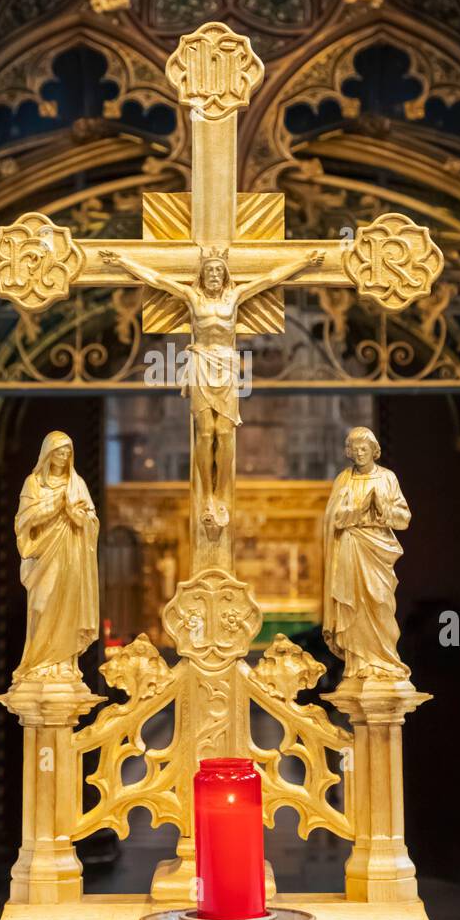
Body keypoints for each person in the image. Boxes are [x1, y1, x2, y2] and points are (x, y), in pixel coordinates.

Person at [100, 244, 322, 531]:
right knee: (205, 432)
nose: (214, 275)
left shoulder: (235, 296)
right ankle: (206, 494)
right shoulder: (193, 298)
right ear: (202, 276)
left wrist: (303, 261)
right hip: (202, 363)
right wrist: (123, 259)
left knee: (225, 432)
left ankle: (221, 494)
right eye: (209, 271)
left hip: (227, 367)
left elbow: (270, 279)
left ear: (225, 273)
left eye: (218, 270)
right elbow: (156, 279)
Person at [323, 425, 411, 680]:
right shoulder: (343, 479)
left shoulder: (387, 478)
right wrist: (356, 510)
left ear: (375, 451)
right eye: (355, 449)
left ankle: (385, 661)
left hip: (378, 552)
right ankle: (358, 664)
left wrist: (384, 509)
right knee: (354, 605)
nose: (360, 453)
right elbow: (333, 519)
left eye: (365, 449)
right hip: (351, 548)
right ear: (349, 452)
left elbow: (404, 519)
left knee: (381, 603)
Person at [14, 431, 99, 678]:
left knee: (69, 606)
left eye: (67, 453)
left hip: (71, 554)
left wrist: (76, 516)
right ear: (48, 454)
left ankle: (63, 664)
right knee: (41, 605)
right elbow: (25, 520)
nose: (63, 457)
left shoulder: (77, 484)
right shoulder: (34, 483)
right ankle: (37, 663)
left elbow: (91, 522)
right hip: (43, 554)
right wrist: (57, 507)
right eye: (59, 452)